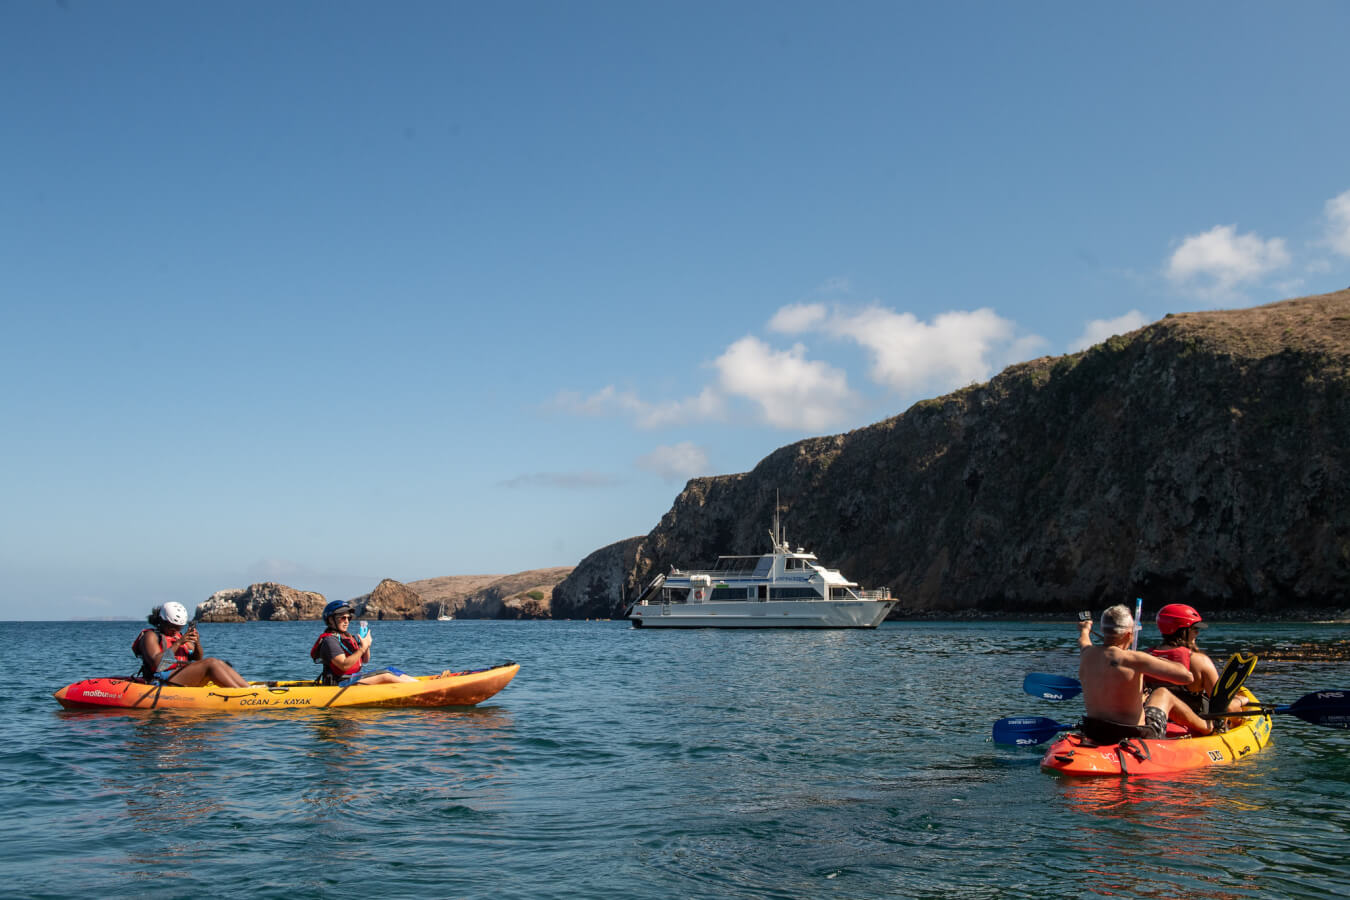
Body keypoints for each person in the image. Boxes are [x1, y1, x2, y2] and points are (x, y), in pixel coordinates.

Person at [1076, 603, 1213, 744]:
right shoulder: (1136, 659)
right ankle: (1206, 727)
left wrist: (1085, 629)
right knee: (1162, 693)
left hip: (1096, 730)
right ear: (1129, 634)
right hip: (1132, 732)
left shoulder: (1087, 653)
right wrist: (1154, 659)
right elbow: (1186, 677)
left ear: (1103, 631)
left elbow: (1083, 640)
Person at [1146, 603, 1246, 719]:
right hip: (1194, 725)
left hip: (1156, 720)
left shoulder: (1144, 657)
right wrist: (1241, 700)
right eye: (1195, 629)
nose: (1197, 633)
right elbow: (1223, 707)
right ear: (1182, 631)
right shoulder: (1199, 661)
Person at [133, 602, 250, 688]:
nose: (175, 631)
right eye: (172, 627)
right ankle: (240, 693)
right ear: (162, 621)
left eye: (179, 628)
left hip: (181, 674)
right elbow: (157, 664)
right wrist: (179, 643)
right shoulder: (151, 636)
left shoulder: (179, 636)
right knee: (211, 663)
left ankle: (246, 688)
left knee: (218, 662)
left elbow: (198, 659)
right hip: (161, 679)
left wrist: (197, 643)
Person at [310, 600, 417, 686]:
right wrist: (362, 648)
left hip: (353, 679)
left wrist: (366, 646)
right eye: (343, 618)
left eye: (349, 618)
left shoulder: (348, 637)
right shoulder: (330, 641)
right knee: (385, 676)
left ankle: (419, 685)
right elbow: (343, 665)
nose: (347, 621)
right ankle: (419, 690)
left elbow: (365, 660)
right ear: (331, 620)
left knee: (391, 670)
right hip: (340, 684)